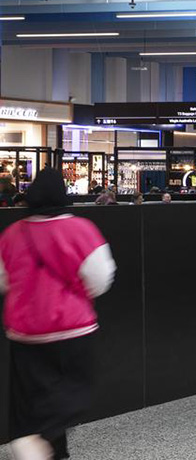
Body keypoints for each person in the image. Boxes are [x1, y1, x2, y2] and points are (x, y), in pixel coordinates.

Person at [0, 169, 116, 459]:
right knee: (74, 392)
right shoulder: (81, 229)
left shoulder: (12, 233)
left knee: (33, 396)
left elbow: (2, 279)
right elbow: (101, 278)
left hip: (24, 332)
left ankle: (48, 448)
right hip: (71, 328)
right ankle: (39, 437)